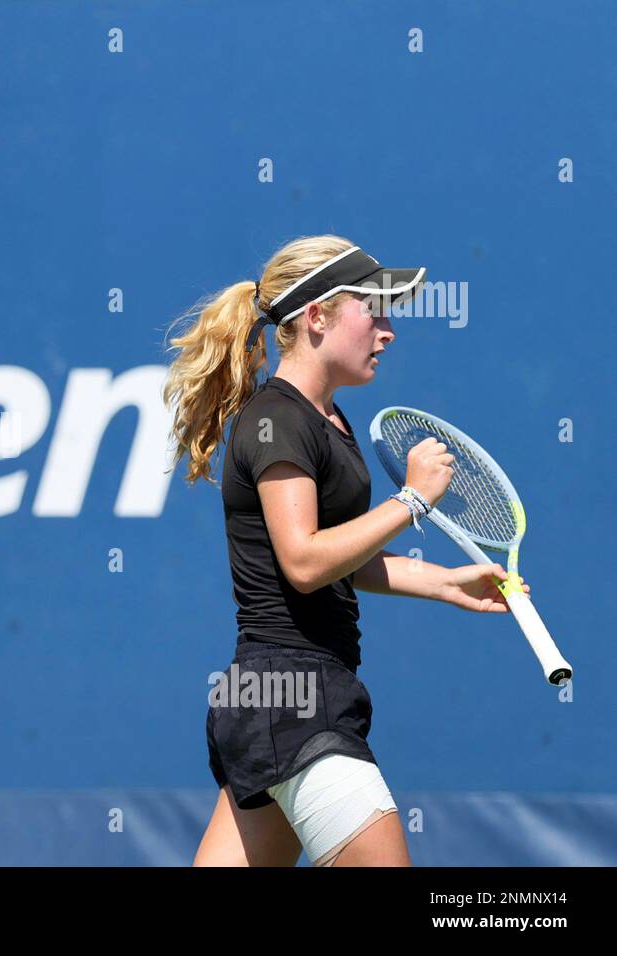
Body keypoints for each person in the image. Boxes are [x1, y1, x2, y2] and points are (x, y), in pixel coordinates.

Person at [163, 236, 529, 866]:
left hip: (279, 704)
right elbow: (304, 562)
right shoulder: (276, 420)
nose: (388, 332)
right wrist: (412, 499)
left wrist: (443, 582)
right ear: (317, 316)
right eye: (374, 310)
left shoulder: (325, 420)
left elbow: (339, 559)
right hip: (293, 700)